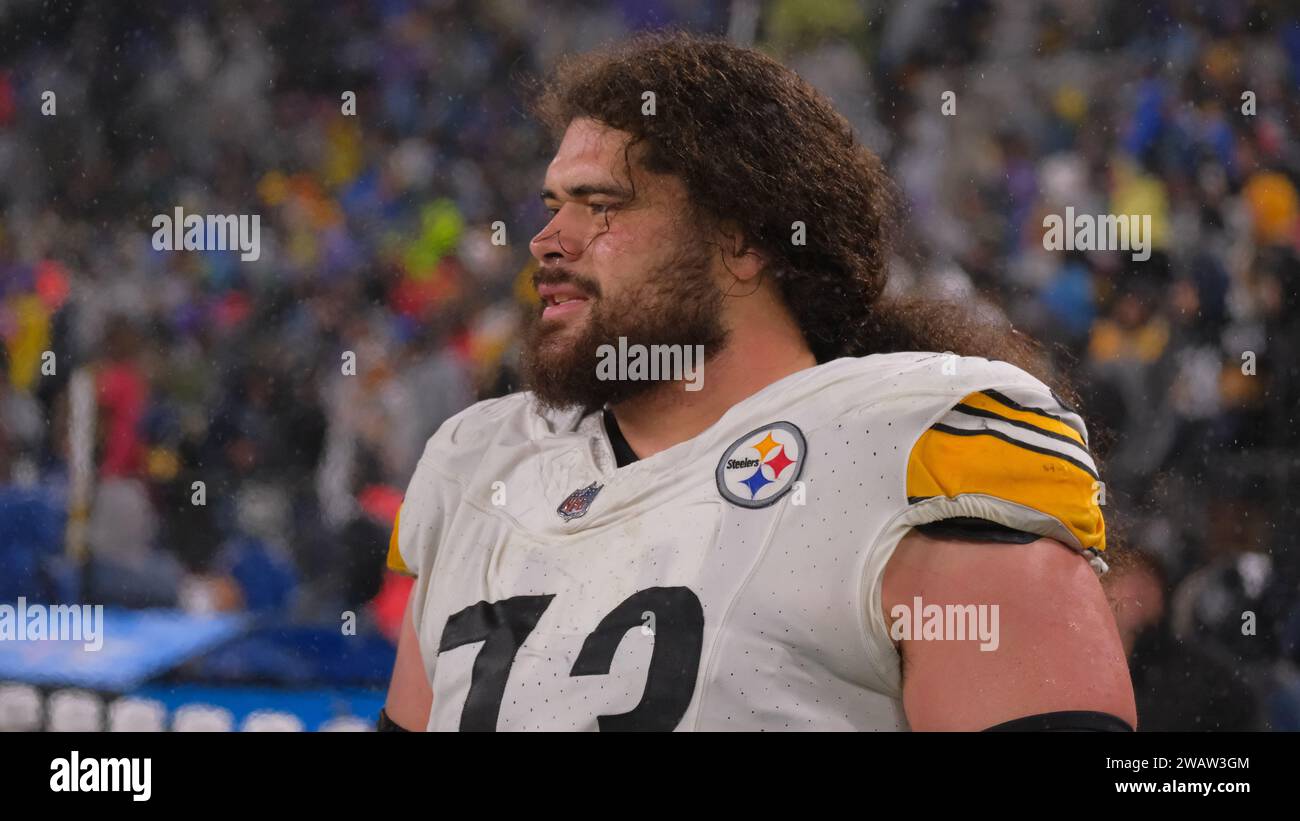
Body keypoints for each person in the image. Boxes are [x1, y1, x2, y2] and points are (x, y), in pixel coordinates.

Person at [381, 33, 1135, 732]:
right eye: (553, 206)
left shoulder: (908, 444)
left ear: (742, 239)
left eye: (602, 206)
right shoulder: (480, 465)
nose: (548, 241)